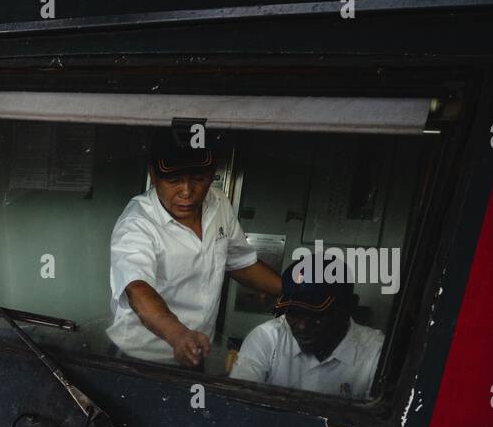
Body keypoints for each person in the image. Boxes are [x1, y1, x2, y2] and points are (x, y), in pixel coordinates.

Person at [109, 130, 281, 367]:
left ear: (212, 175)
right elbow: (137, 290)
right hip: (141, 358)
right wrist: (178, 335)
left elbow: (241, 263)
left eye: (198, 179)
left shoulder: (219, 204)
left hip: (196, 351)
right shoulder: (137, 223)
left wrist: (293, 293)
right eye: (173, 181)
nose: (187, 191)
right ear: (153, 175)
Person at [230, 261, 384, 399]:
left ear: (350, 306)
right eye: (293, 312)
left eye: (316, 314)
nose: (302, 326)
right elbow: (239, 402)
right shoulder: (267, 337)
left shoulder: (377, 352)